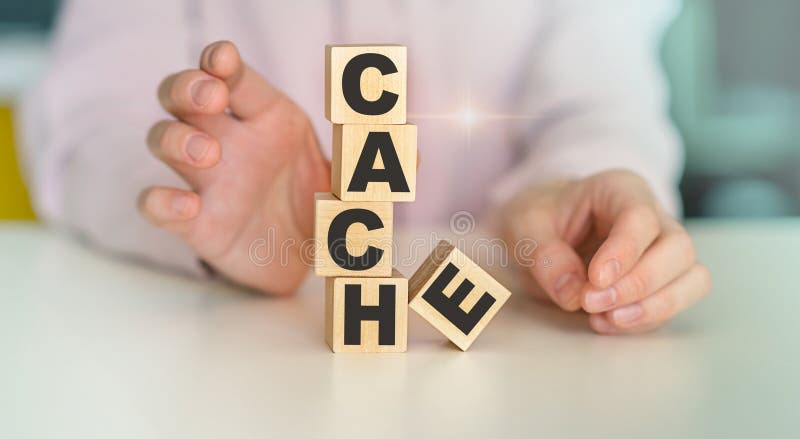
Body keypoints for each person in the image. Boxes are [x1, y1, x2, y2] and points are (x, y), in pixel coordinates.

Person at [18, 0, 710, 335]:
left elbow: (600, 101)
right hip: (238, 361)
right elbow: (87, 118)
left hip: (514, 347)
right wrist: (199, 198)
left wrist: (571, 183)